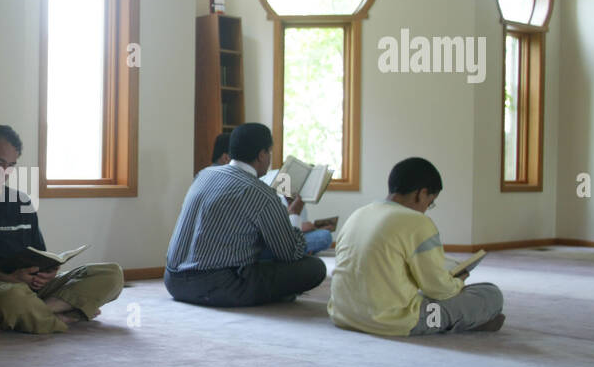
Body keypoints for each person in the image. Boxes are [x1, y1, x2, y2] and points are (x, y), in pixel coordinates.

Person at [0, 125, 123, 333]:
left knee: (111, 274)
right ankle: (69, 314)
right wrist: (8, 278)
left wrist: (49, 272)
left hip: (32, 289)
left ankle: (43, 312)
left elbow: (40, 253)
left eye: (11, 165)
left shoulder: (22, 200)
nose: (4, 172)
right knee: (13, 298)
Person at [329, 157, 504, 335]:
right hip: (395, 321)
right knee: (490, 295)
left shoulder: (359, 214)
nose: (427, 208)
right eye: (430, 202)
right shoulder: (418, 222)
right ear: (421, 193)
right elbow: (439, 290)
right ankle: (460, 322)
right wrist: (458, 281)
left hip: (343, 314)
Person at [165, 122, 326, 306]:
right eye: (269, 153)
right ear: (262, 154)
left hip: (174, 281)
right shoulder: (261, 193)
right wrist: (294, 213)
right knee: (315, 267)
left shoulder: (204, 175)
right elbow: (290, 254)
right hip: (218, 286)